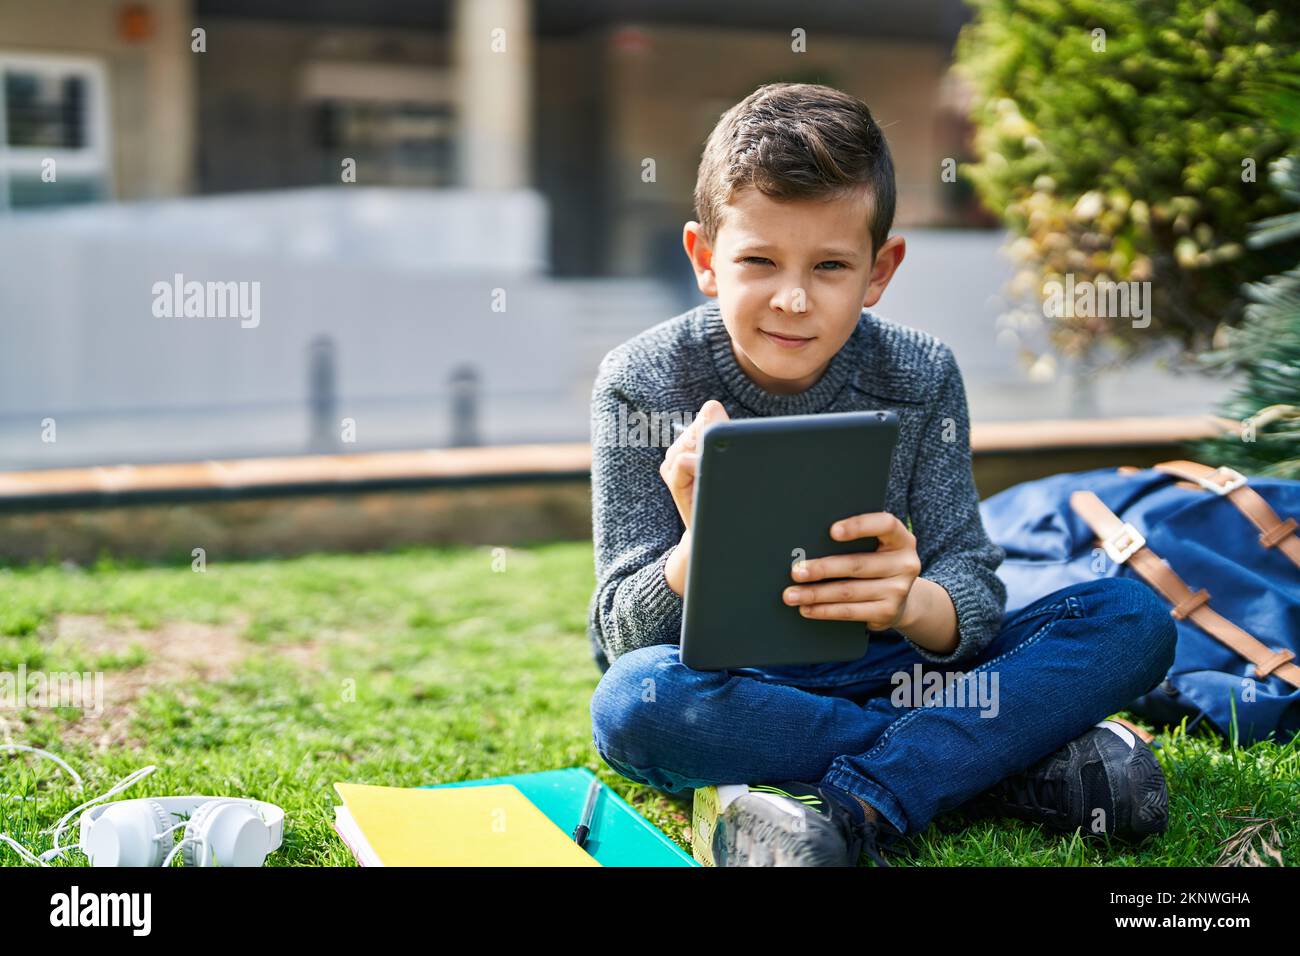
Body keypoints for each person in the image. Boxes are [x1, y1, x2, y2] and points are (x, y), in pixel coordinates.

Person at [586, 82, 1177, 866]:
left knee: (1130, 615)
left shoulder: (921, 371)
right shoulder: (642, 382)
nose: (793, 299)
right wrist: (699, 551)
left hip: (900, 667)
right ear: (704, 259)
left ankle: (865, 797)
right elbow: (618, 636)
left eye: (830, 266)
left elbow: (972, 578)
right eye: (759, 260)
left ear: (879, 271)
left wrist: (914, 601)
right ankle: (1007, 765)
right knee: (635, 703)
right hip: (741, 686)